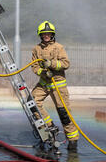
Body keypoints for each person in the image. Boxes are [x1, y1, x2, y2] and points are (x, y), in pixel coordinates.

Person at [31, 21, 79, 152]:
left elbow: (66, 63)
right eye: (43, 34)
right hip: (44, 83)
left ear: (52, 34)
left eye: (48, 34)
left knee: (63, 112)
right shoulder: (36, 49)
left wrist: (51, 64)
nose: (46, 36)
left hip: (58, 84)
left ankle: (72, 139)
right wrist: (42, 72)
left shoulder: (59, 47)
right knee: (32, 103)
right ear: (40, 35)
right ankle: (50, 126)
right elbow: (34, 66)